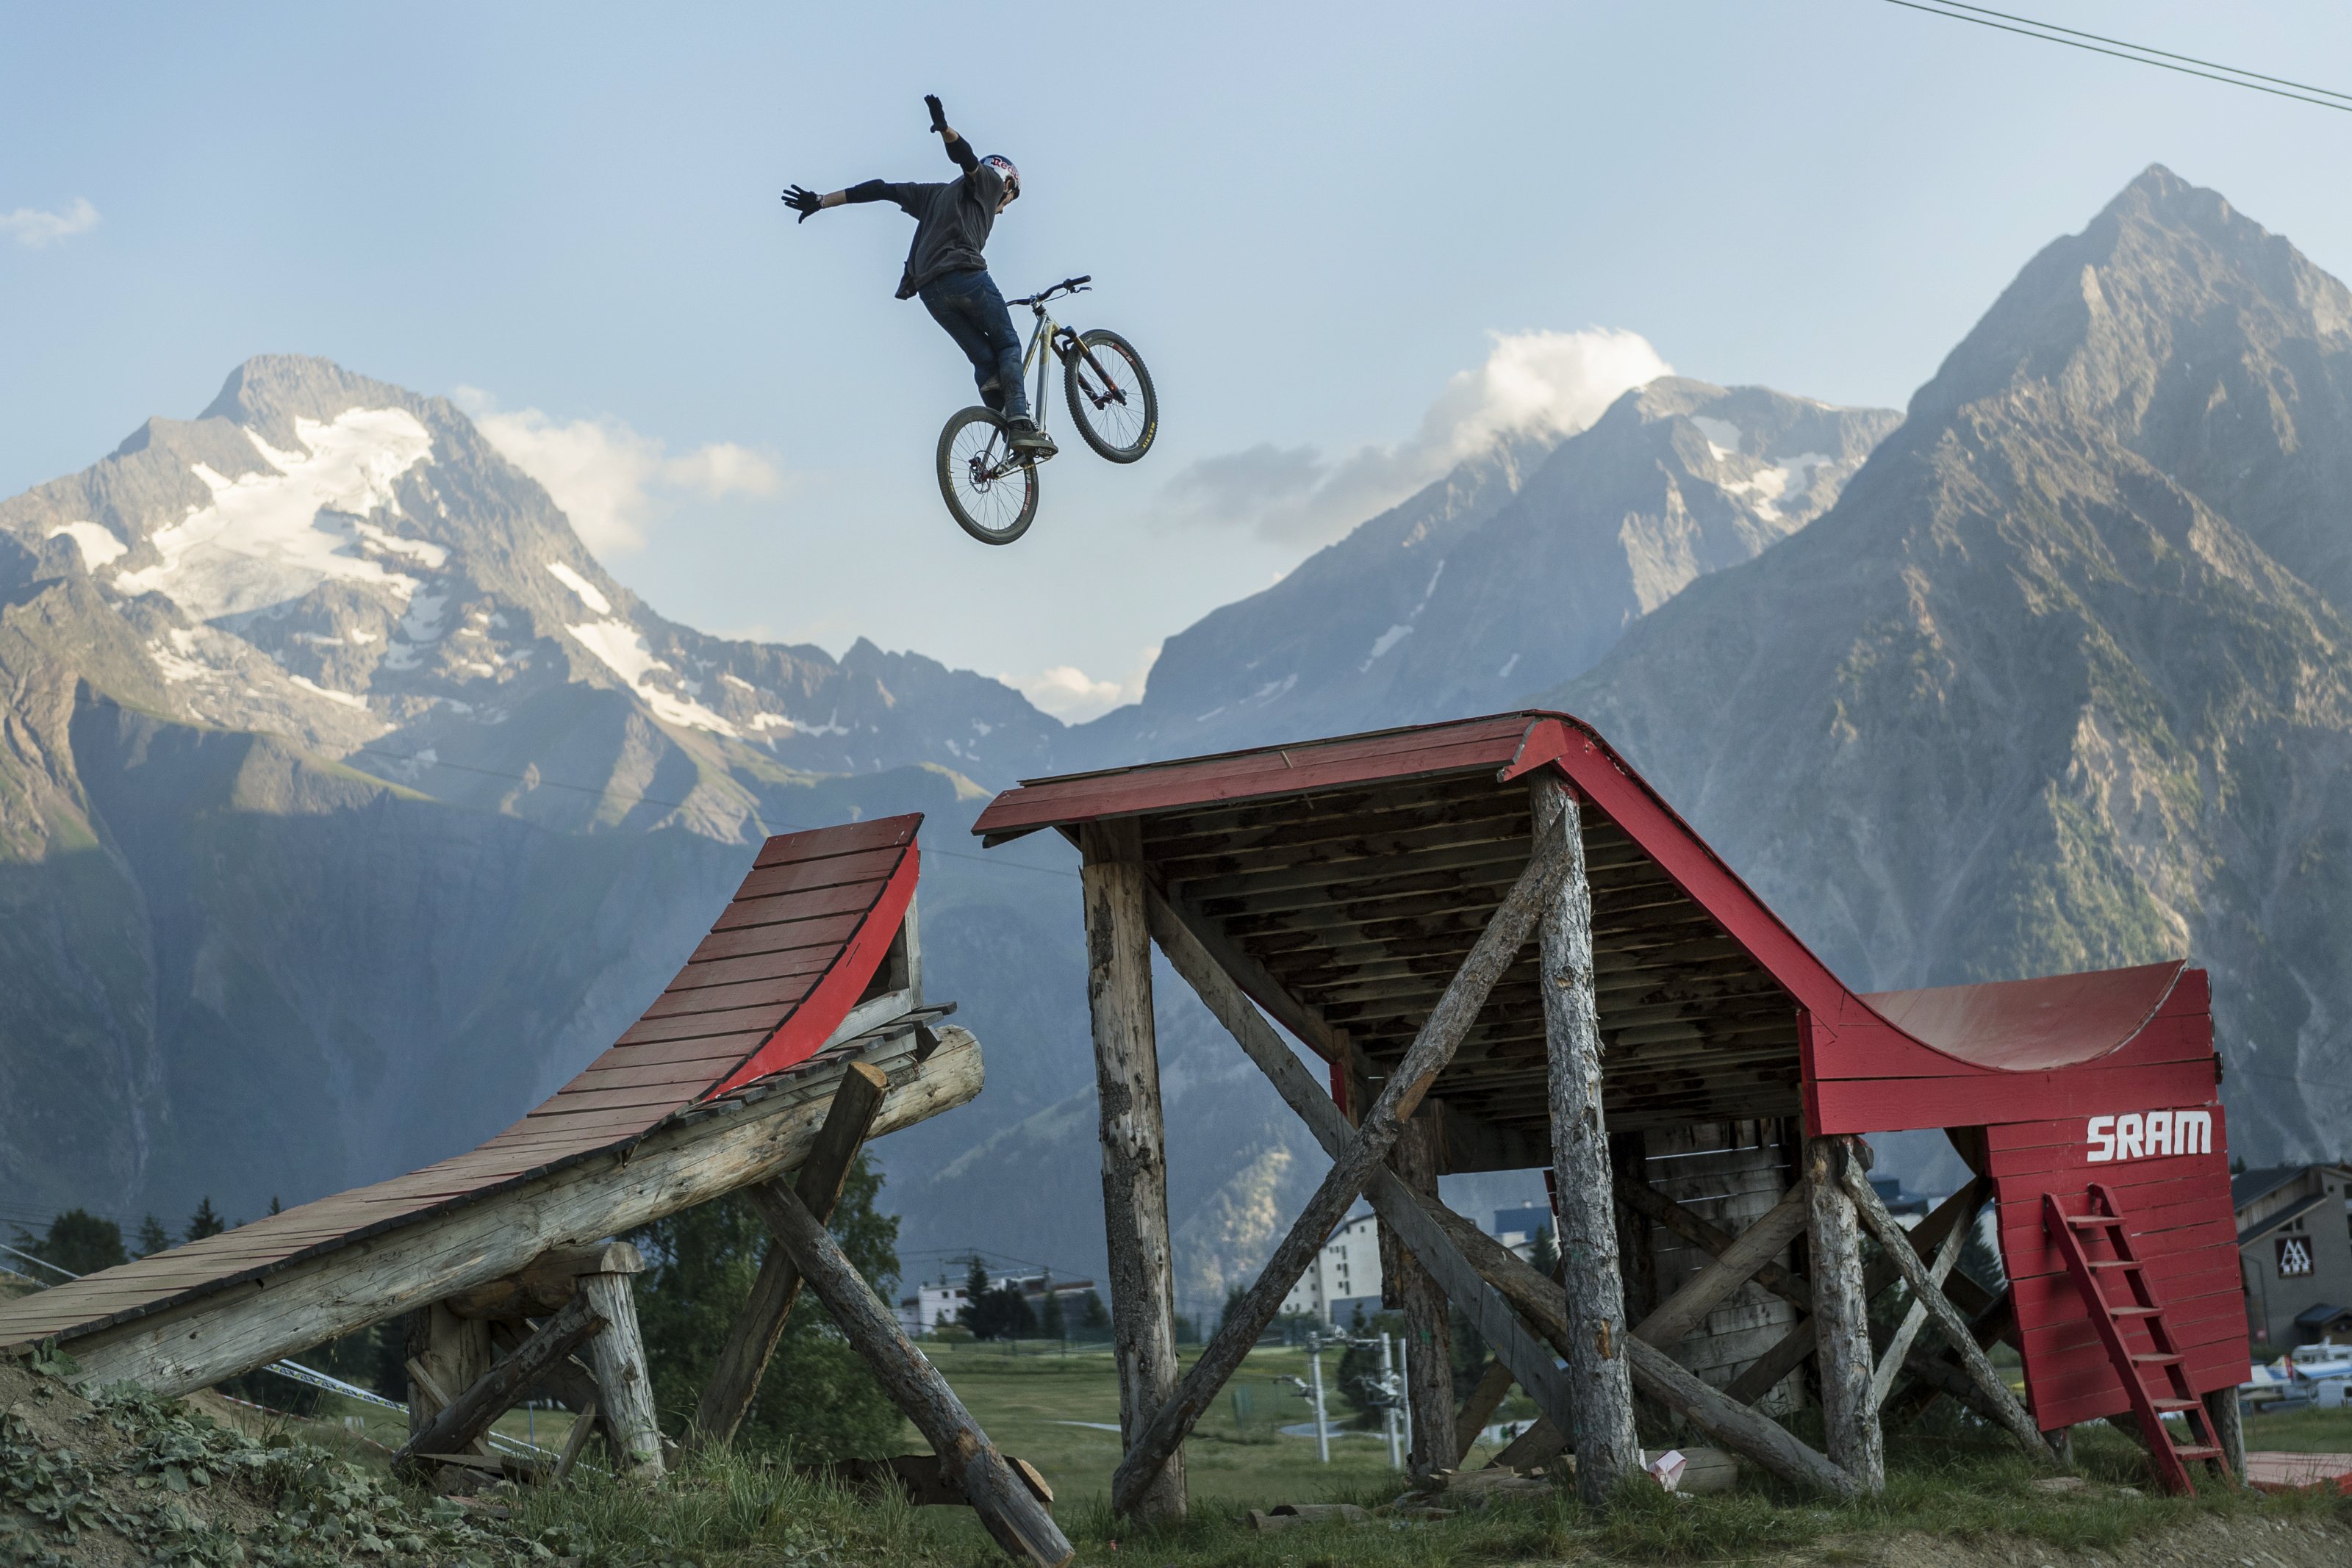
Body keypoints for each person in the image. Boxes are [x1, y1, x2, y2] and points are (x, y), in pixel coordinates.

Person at [784, 95, 1053, 458]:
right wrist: (946, 130)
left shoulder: (933, 195)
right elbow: (968, 160)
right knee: (1008, 344)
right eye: (1009, 202)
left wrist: (821, 201)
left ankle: (1004, 426)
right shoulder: (990, 183)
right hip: (965, 275)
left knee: (985, 361)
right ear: (1007, 185)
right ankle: (1020, 423)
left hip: (931, 291)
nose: (1002, 211)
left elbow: (880, 189)